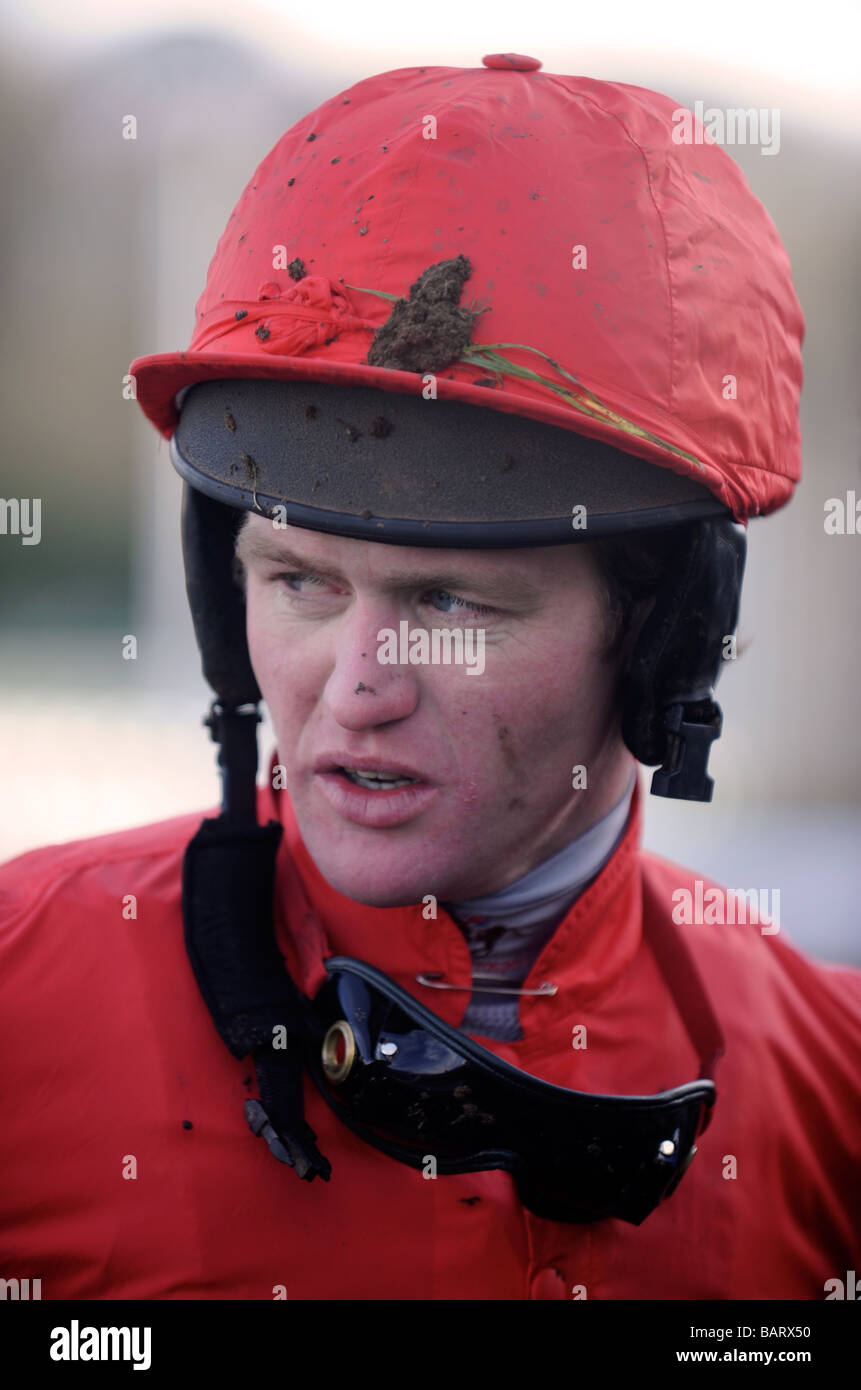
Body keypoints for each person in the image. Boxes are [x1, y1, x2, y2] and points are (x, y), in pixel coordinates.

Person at [1, 54, 858, 1303]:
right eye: (299, 580)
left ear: (667, 635)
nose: (356, 688)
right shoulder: (20, 1008)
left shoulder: (829, 1095)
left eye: (450, 601)